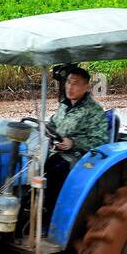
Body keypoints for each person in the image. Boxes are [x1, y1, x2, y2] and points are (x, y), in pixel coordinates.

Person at [43, 66, 108, 217]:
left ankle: (50, 215)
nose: (70, 87)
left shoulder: (94, 111)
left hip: (79, 156)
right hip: (56, 150)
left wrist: (74, 143)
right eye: (68, 82)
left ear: (86, 87)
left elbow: (100, 141)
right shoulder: (64, 105)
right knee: (29, 163)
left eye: (76, 83)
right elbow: (53, 124)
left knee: (55, 169)